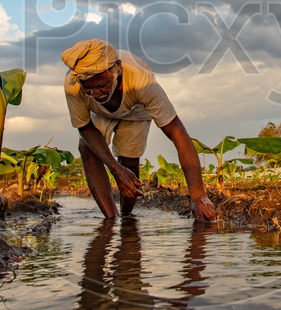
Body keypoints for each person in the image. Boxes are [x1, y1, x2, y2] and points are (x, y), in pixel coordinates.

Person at [62, 39, 217, 222]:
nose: (95, 94)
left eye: (101, 85)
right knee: (87, 148)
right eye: (88, 88)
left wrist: (199, 196)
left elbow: (178, 135)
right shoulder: (73, 84)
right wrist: (115, 169)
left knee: (128, 160)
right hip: (100, 113)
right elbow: (86, 128)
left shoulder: (143, 83)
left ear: (117, 69)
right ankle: (111, 220)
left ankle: (127, 219)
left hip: (136, 110)